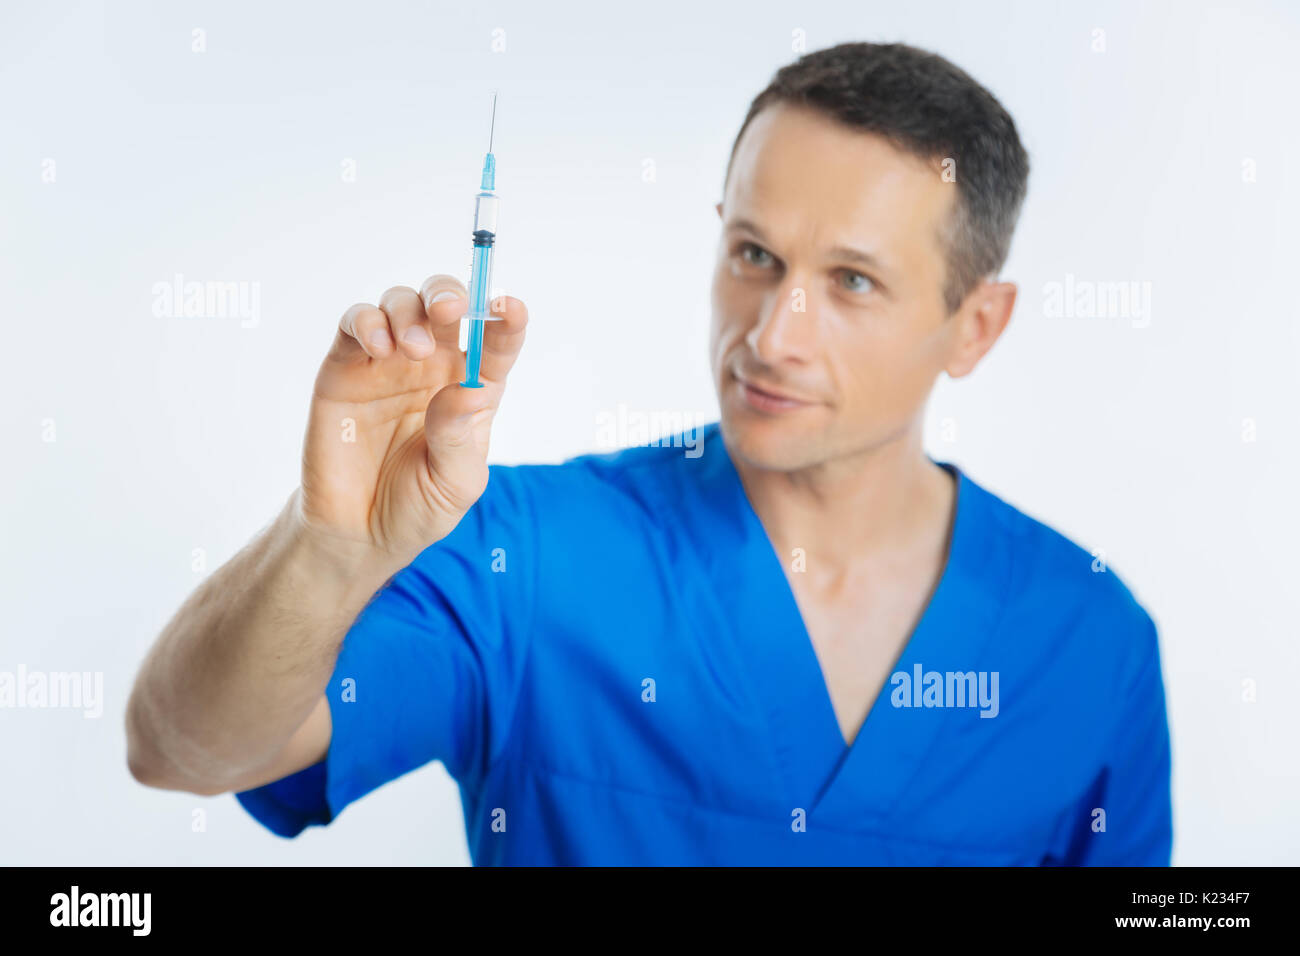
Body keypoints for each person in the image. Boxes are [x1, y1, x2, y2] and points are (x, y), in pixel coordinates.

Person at [126, 41, 1173, 865]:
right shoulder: (524, 556)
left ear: (976, 326)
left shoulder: (1087, 637)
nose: (770, 333)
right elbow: (181, 749)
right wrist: (326, 544)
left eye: (852, 280)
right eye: (753, 255)